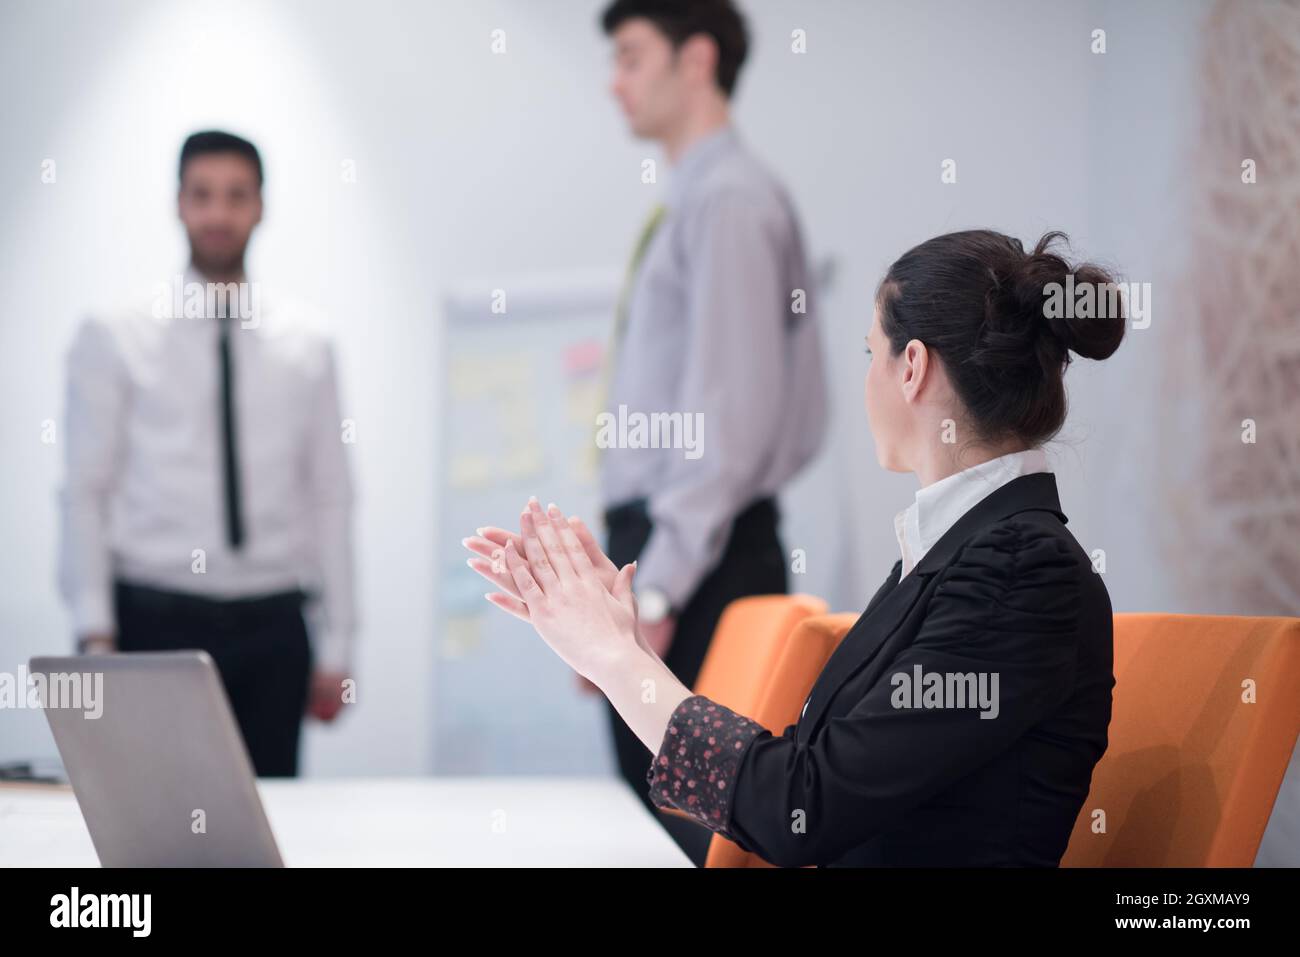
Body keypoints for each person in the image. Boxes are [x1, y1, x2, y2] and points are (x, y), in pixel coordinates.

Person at [466, 228, 1124, 866]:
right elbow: (807, 783)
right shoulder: (964, 552)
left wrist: (613, 659)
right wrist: (625, 642)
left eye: (873, 355)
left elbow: (801, 807)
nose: (868, 378)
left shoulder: (1019, 573)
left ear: (913, 367)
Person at [584, 0, 827, 860]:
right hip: (683, 548)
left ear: (696, 59)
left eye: (630, 57)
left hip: (698, 556)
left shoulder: (727, 200)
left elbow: (724, 421)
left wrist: (653, 596)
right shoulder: (701, 198)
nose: (614, 81)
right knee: (663, 828)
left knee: (690, 837)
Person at [58, 130, 356, 777]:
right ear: (178, 204)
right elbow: (84, 488)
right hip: (154, 620)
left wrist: (338, 641)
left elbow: (331, 492)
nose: (218, 214)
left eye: (235, 196)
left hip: (275, 623)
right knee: (152, 822)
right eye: (202, 195)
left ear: (260, 207)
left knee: (268, 817)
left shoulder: (308, 342)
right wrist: (95, 632)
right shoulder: (115, 334)